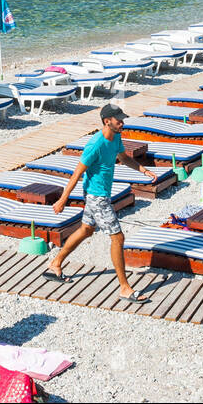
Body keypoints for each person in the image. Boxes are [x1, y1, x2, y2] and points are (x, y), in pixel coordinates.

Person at [46, 103, 152, 302]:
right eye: (118, 120)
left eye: (122, 119)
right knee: (117, 238)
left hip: (101, 194)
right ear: (107, 122)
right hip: (97, 197)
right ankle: (124, 287)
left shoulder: (116, 136)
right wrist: (62, 200)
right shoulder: (95, 145)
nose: (122, 122)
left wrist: (143, 170)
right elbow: (77, 173)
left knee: (86, 230)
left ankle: (55, 263)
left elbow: (123, 158)